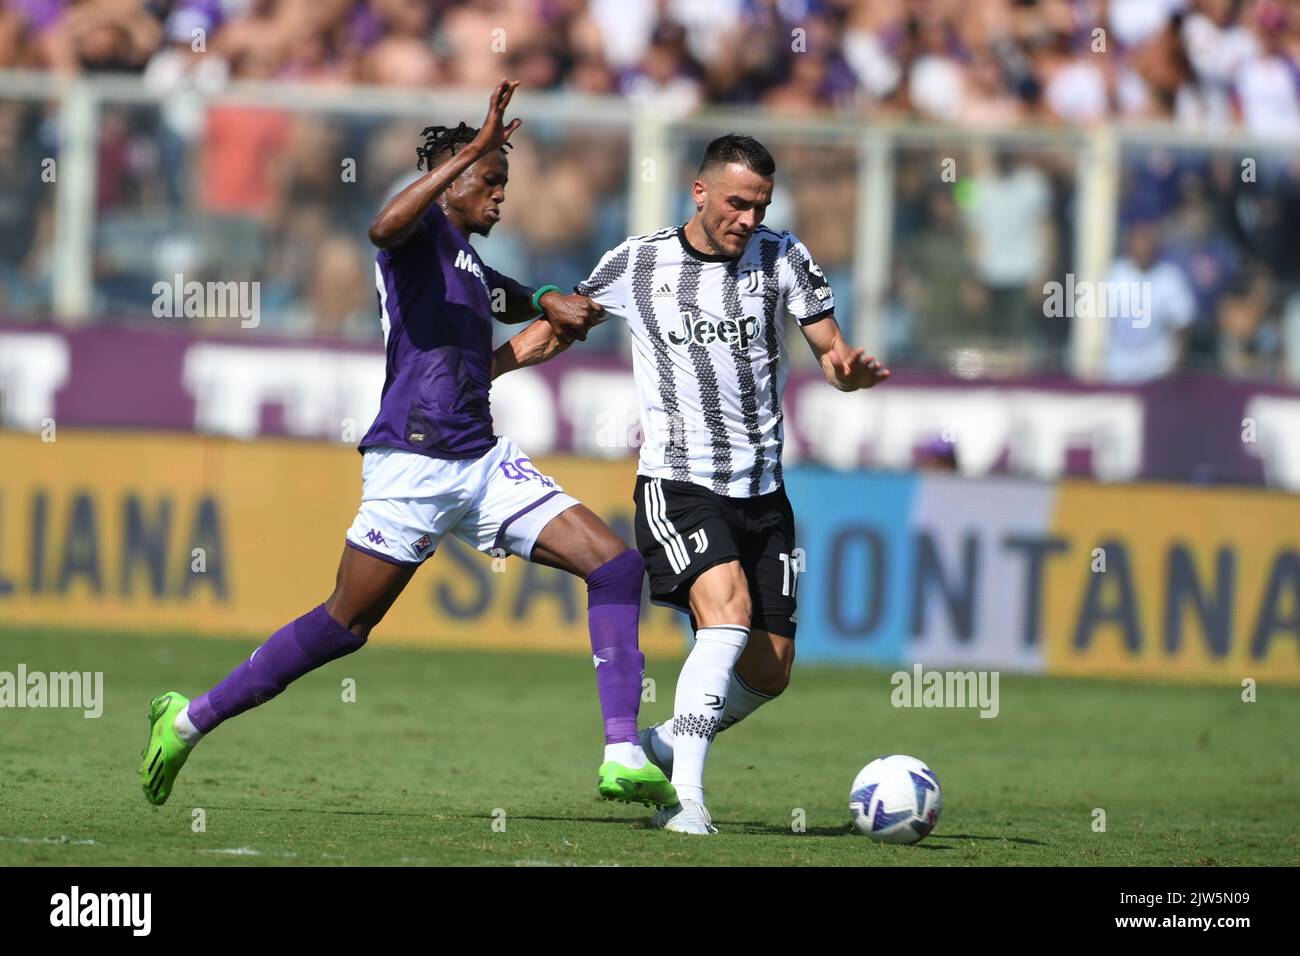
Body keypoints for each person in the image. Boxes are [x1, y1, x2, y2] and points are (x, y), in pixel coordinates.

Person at [139, 79, 674, 812]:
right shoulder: (418, 240)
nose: (500, 196)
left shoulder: (468, 262)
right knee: (343, 625)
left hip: (482, 462)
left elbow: (503, 293)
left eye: (502, 182)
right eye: (491, 180)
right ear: (452, 183)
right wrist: (473, 152)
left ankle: (621, 753)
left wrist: (547, 298)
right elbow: (382, 226)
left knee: (614, 566)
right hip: (413, 463)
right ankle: (189, 718)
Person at [570, 134, 890, 833]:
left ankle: (660, 745)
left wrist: (850, 373)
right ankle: (685, 803)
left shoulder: (782, 256)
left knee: (771, 667)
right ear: (701, 192)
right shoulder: (637, 262)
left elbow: (831, 351)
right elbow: (559, 325)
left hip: (763, 491)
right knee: (727, 612)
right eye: (737, 203)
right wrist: (487, 367)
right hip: (678, 482)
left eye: (760, 205)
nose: (748, 218)